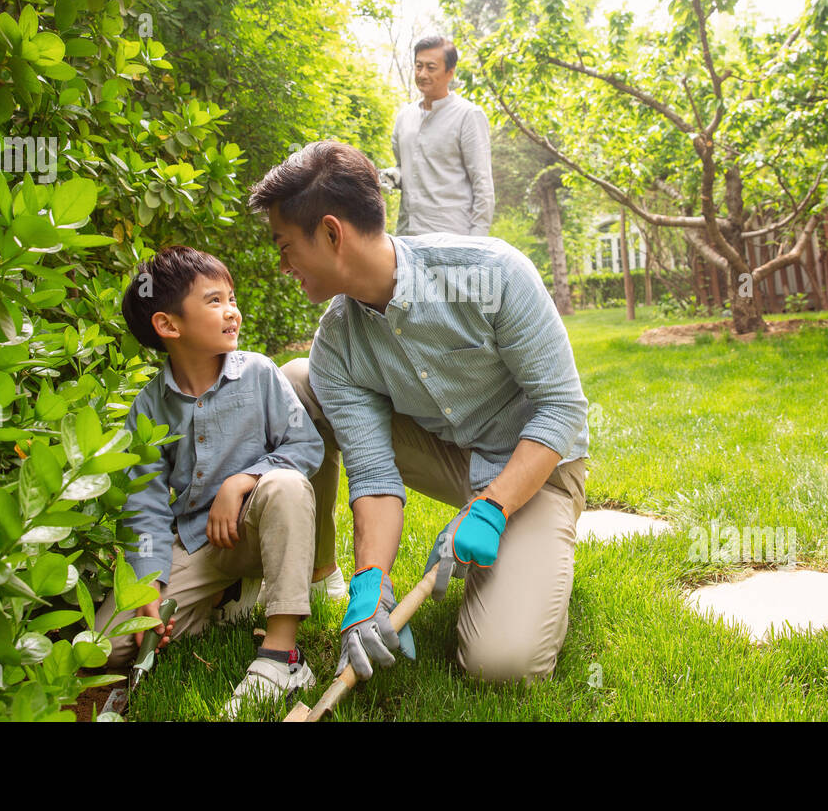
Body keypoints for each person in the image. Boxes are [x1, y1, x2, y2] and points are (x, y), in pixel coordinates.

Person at [249, 141, 589, 684]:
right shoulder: (337, 342)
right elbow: (376, 474)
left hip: (537, 466)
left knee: (501, 666)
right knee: (297, 382)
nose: (282, 264)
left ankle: (538, 549)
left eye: (286, 246)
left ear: (333, 234)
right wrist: (371, 586)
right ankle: (322, 574)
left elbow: (561, 406)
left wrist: (493, 508)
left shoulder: (492, 273)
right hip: (444, 454)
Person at [102, 245, 337, 719]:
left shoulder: (259, 374)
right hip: (199, 542)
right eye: (215, 301)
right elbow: (144, 505)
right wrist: (149, 587)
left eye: (231, 298)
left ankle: (282, 654)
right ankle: (224, 597)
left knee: (286, 485)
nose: (232, 311)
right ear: (169, 326)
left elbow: (307, 448)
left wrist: (242, 481)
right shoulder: (149, 408)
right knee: (110, 646)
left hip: (256, 525)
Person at [380, 36, 495, 236]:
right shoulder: (405, 116)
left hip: (453, 239)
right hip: (408, 238)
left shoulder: (468, 116)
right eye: (418, 66)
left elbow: (482, 185)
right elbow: (405, 167)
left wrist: (476, 244)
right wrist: (394, 175)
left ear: (450, 72)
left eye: (431, 67)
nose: (422, 74)